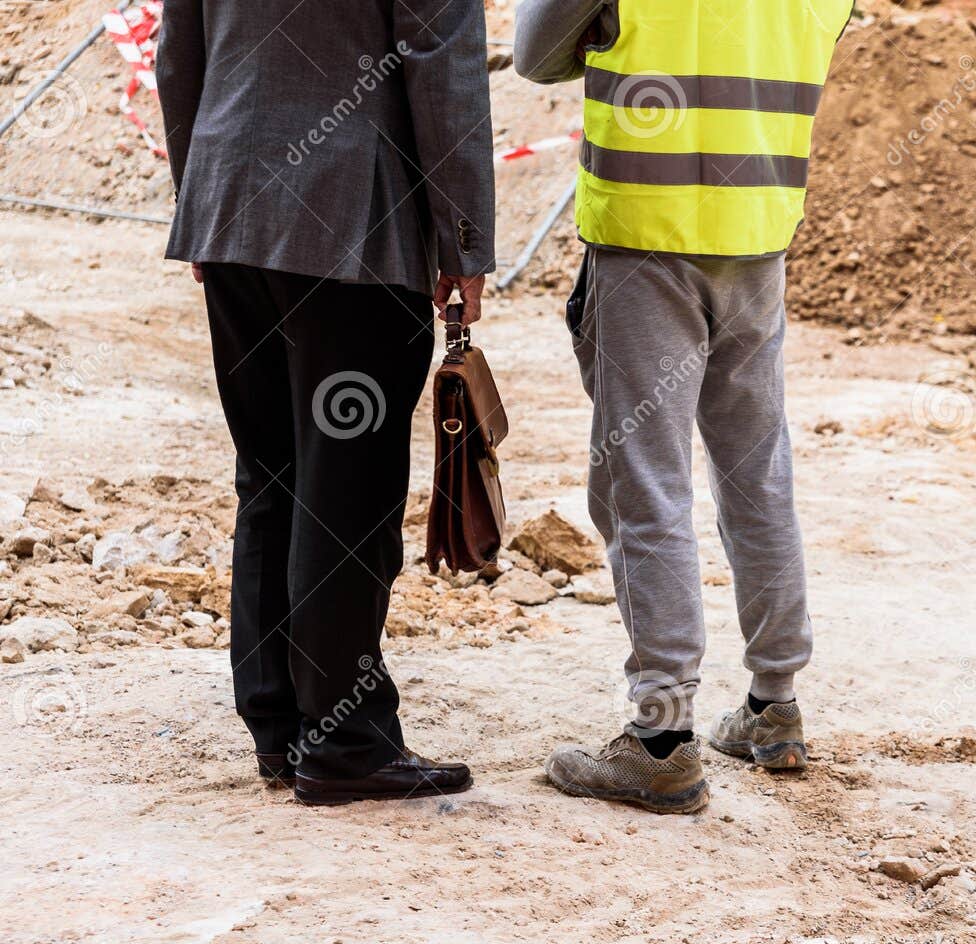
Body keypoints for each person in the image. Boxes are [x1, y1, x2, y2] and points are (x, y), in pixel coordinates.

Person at [515, 0, 853, 814]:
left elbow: (535, 54)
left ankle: (661, 740)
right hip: (758, 238)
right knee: (755, 470)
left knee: (645, 482)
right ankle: (775, 706)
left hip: (646, 237)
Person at [156, 1, 495, 805]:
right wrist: (462, 238)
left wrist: (198, 195)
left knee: (270, 475)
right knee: (350, 493)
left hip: (233, 200)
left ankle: (280, 729)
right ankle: (344, 743)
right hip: (354, 216)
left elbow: (178, 56)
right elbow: (441, 65)